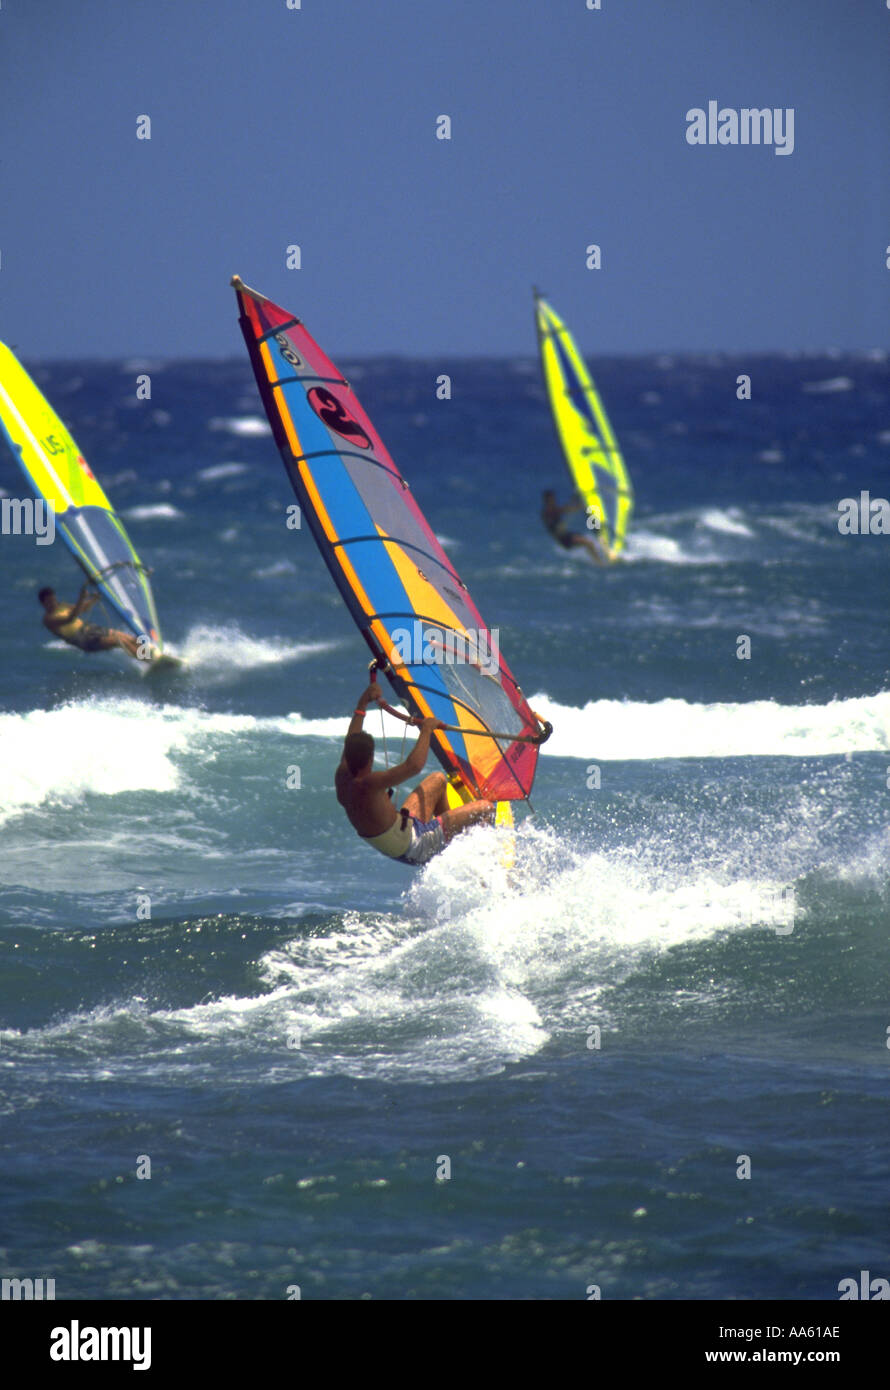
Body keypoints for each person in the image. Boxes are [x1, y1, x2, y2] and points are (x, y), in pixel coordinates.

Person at [335, 681, 495, 866]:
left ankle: (453, 842)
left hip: (404, 833)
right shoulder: (370, 783)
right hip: (416, 847)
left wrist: (362, 704)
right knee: (486, 807)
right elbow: (414, 766)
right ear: (370, 759)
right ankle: (483, 864)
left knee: (438, 779)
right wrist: (427, 729)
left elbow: (351, 739)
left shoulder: (343, 776)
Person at [38, 584, 146, 660]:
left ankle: (150, 651)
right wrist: (81, 598)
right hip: (84, 640)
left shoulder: (62, 606)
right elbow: (70, 618)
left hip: (91, 629)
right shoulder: (48, 619)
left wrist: (93, 599)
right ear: (43, 604)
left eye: (53, 600)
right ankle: (148, 660)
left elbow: (83, 609)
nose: (53, 603)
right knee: (120, 641)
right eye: (49, 602)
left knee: (130, 638)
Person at [541, 489, 615, 564]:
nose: (554, 501)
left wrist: (579, 503)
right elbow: (556, 529)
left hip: (566, 535)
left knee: (590, 543)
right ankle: (600, 563)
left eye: (553, 499)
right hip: (564, 539)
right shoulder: (547, 513)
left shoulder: (555, 509)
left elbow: (569, 509)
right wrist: (560, 527)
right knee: (588, 543)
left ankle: (602, 557)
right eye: (551, 500)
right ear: (547, 501)